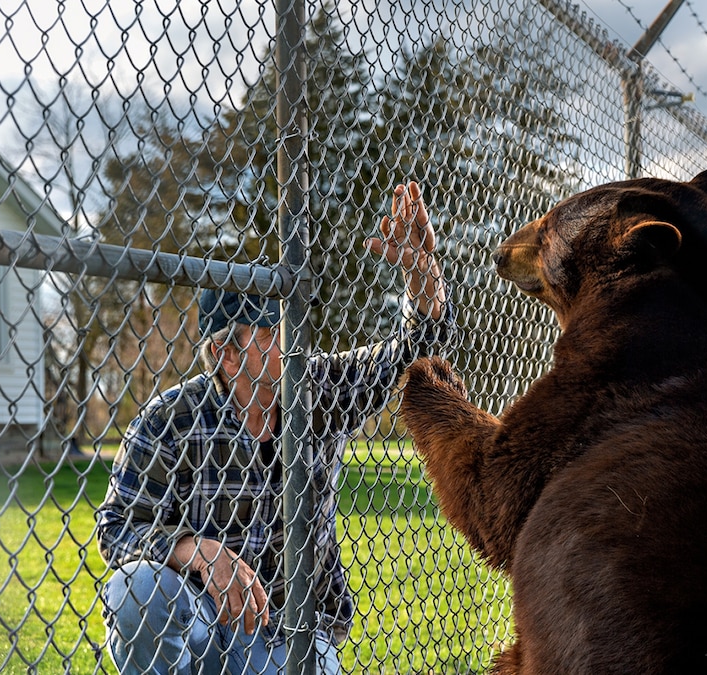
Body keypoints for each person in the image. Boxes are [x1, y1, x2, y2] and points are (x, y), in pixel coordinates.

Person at [95, 181, 453, 674]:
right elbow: (117, 529)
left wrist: (420, 274)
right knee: (136, 589)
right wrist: (193, 549)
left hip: (293, 632)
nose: (290, 339)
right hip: (199, 626)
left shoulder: (317, 390)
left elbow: (416, 348)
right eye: (269, 332)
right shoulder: (169, 421)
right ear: (225, 353)